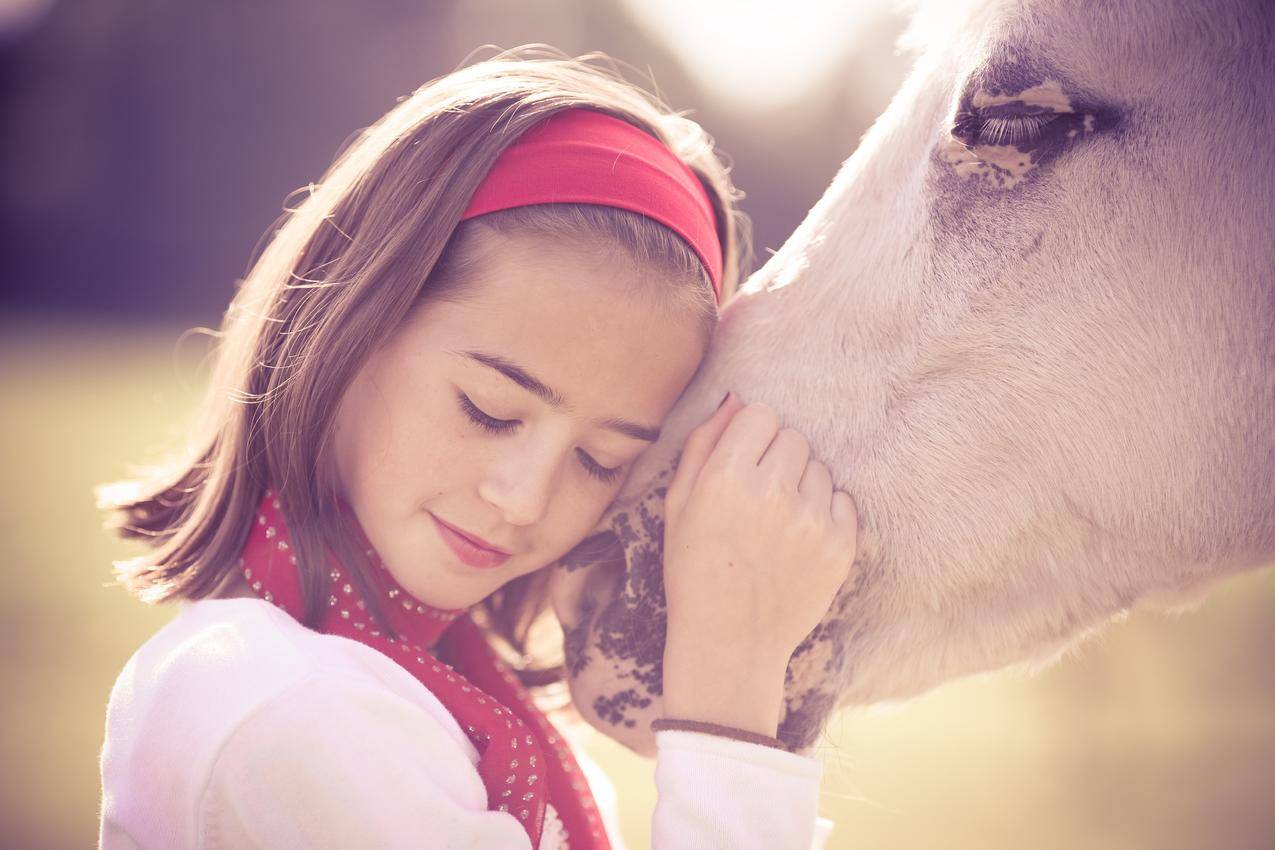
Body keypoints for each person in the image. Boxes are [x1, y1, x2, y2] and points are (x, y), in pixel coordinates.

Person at [96, 47, 858, 850]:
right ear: (350, 328)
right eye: (490, 411)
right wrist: (730, 698)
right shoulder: (283, 709)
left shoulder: (431, 681)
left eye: (602, 461)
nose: (524, 500)